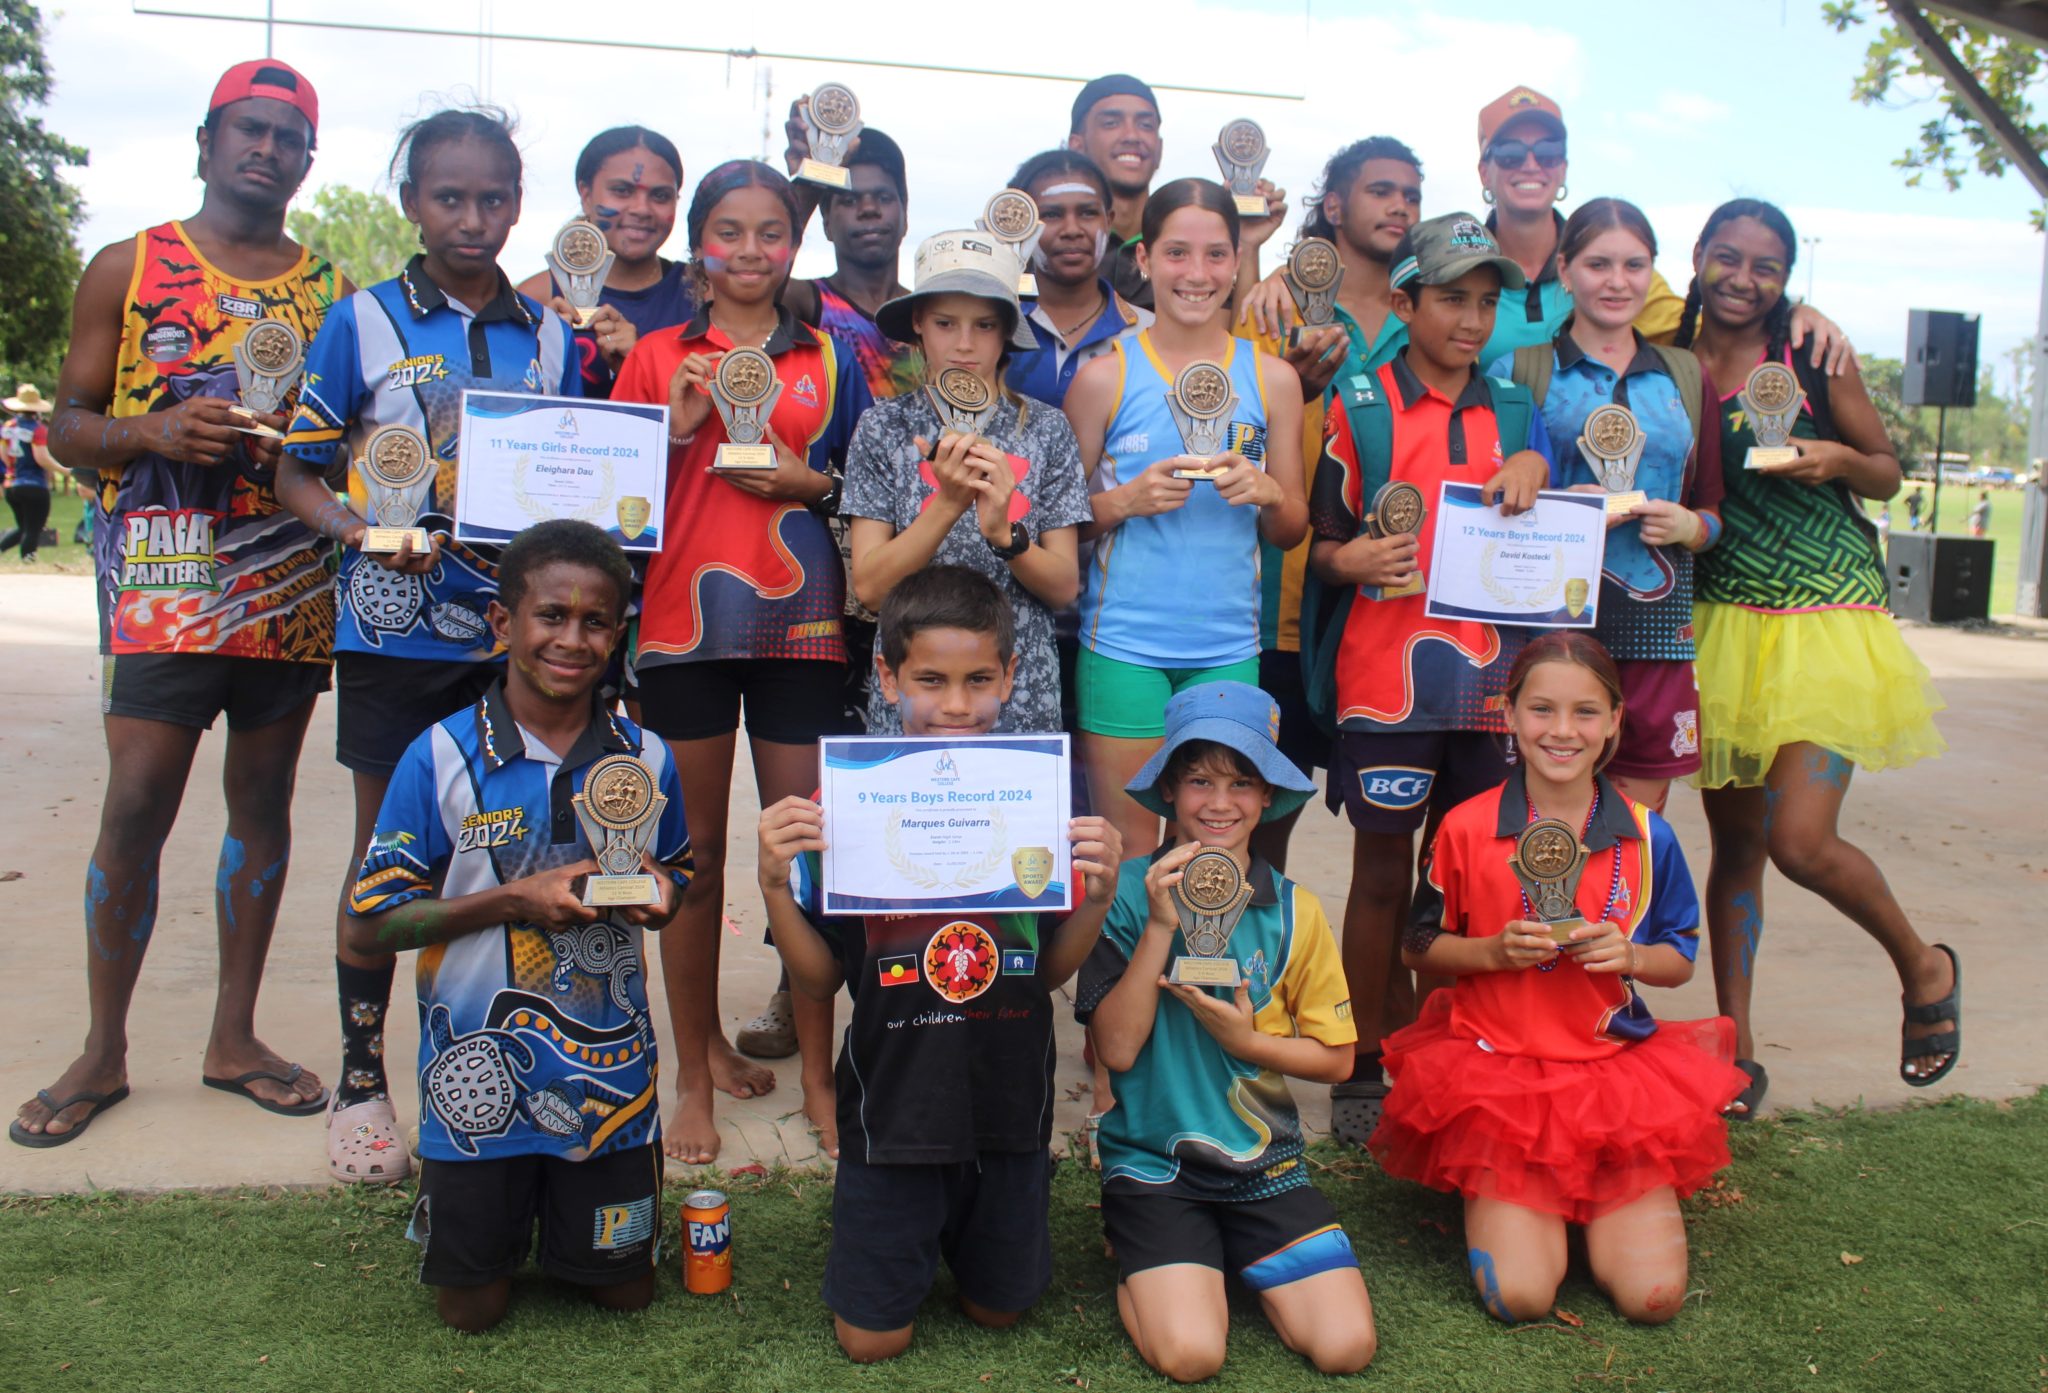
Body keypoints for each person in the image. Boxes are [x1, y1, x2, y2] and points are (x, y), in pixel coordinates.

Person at [10, 60, 340, 1150]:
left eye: (285, 137)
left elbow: (347, 433)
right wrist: (152, 431)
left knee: (263, 802)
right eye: (245, 131)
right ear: (205, 142)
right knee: (139, 799)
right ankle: (103, 1050)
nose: (264, 150)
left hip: (286, 575)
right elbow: (65, 425)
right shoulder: (130, 264)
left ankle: (232, 1038)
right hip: (163, 571)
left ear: (306, 160)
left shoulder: (332, 291)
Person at [278, 106, 578, 1184]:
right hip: (395, 636)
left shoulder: (549, 333)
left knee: (518, 851)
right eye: (449, 196)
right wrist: (358, 531)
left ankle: (508, 1055)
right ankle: (364, 1083)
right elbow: (298, 469)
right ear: (411, 202)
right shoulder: (358, 320)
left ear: (516, 203)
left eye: (493, 197)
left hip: (518, 640)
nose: (472, 217)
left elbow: (573, 474)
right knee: (389, 860)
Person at [755, 565, 1123, 1362]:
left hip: (1008, 1105)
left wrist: (1096, 896)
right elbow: (819, 980)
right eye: (930, 679)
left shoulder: (1041, 799)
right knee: (870, 1340)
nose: (956, 704)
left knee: (1002, 1311)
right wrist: (777, 885)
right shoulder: (846, 803)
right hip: (894, 1111)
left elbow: (1048, 972)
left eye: (977, 679)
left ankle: (982, 1231)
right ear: (886, 676)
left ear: (1010, 677)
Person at [343, 520, 688, 1332]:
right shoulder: (438, 755)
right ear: (504, 625)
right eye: (550, 616)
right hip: (477, 1080)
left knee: (622, 1291)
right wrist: (512, 901)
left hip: (608, 1090)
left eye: (596, 621)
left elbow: (681, 876)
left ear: (619, 632)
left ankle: (586, 1215)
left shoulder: (645, 756)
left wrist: (661, 894)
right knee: (471, 1308)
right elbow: (372, 927)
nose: (573, 639)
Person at [608, 159, 871, 1164]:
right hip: (680, 629)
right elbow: (617, 510)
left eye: (770, 232)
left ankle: (816, 1073)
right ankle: (692, 1068)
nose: (751, 251)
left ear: (791, 246)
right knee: (694, 854)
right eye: (729, 231)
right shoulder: (655, 354)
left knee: (801, 851)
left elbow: (853, 480)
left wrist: (799, 478)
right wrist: (672, 431)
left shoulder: (830, 355)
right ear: (697, 245)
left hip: (801, 626)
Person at [1370, 633, 1749, 1325]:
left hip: (1615, 1079)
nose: (1563, 730)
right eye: (1542, 709)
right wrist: (1491, 951)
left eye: (1584, 711)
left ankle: (1584, 1207)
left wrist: (1630, 956)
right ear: (1508, 715)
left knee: (1653, 1298)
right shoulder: (1462, 825)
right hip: (1500, 1077)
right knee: (1520, 1296)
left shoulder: (1647, 833)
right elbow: (1418, 947)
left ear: (1614, 721)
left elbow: (1680, 958)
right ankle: (1520, 1208)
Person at [1674, 198, 1956, 1117]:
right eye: (1728, 257)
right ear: (1700, 257)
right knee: (1739, 847)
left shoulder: (1809, 353)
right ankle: (1737, 1053)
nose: (1743, 277)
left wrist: (1831, 453)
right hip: (1721, 613)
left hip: (1826, 613)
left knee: (1800, 841)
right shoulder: (1669, 351)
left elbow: (1885, 469)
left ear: (1787, 278)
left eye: (1764, 264)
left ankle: (1922, 966)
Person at [1301, 212, 1556, 1148]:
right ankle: (1364, 1058)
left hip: (1494, 688)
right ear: (1404, 301)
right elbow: (1323, 549)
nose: (1473, 320)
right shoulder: (1360, 403)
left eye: (1488, 302)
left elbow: (1547, 537)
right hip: (1387, 682)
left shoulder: (1518, 410)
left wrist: (1535, 465)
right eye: (1453, 298)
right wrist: (1352, 559)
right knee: (1380, 876)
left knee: (1472, 882)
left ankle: (1458, 1055)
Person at [1078, 681, 1375, 1381]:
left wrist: (1249, 1044)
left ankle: (1232, 1262)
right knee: (1191, 1355)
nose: (1219, 802)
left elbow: (1338, 1060)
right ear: (1170, 793)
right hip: (1155, 1165)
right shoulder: (1124, 892)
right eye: (1200, 780)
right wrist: (1158, 925)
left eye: (1242, 781)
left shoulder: (1296, 909)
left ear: (1268, 795)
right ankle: (1147, 1261)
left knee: (1345, 1347)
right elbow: (1116, 1050)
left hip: (1265, 1167)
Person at [1066, 179, 1306, 859]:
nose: (1196, 274)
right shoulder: (1103, 377)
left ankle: (1196, 972)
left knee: (1214, 854)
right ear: (1143, 260)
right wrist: (1124, 501)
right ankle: (1121, 974)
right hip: (1123, 649)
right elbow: (1057, 524)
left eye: (1214, 255)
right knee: (1127, 856)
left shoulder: (1273, 379)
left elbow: (1291, 528)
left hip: (1228, 651)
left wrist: (1264, 491)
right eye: (1176, 253)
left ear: (1237, 261)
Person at [1235, 136, 1428, 874]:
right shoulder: (1279, 298)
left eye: (1412, 194)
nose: (1400, 206)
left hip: (1388, 599)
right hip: (1283, 600)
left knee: (1388, 839)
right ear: (1338, 205)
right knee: (1260, 818)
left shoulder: (1428, 313)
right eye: (1383, 191)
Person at [1496, 198, 1725, 814]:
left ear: (1653, 272)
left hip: (1659, 633)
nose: (1617, 282)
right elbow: (1491, 511)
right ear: (1565, 270)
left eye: (1634, 264)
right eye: (1598, 264)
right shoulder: (1519, 371)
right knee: (1543, 826)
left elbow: (1714, 509)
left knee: (1635, 834)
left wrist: (1690, 525)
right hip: (1553, 631)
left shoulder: (1684, 375)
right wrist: (1556, 508)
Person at [846, 231, 1090, 735]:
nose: (963, 343)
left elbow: (1064, 586)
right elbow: (870, 587)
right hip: (914, 692)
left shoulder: (1043, 428)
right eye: (944, 323)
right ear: (918, 324)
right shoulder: (883, 426)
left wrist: (1006, 537)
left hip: (1019, 688)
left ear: (1005, 333)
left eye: (983, 325)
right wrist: (948, 503)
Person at [1472, 87, 1852, 374]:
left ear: (1564, 168)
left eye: (1548, 150)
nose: (1531, 164)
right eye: (1509, 153)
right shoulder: (1462, 269)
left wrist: (1794, 312)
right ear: (1484, 171)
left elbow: (1717, 328)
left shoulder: (1616, 268)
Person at [515, 125, 693, 400]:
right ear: (585, 194)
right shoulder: (534, 298)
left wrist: (641, 365)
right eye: (622, 191)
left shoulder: (701, 294)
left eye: (660, 196)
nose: (641, 209)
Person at [1005, 149, 1152, 410]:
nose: (1072, 230)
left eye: (1087, 213)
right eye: (1051, 214)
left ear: (1108, 221)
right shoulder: (992, 329)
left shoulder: (1149, 334)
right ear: (1021, 225)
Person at [1068, 75, 1163, 310]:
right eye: (1111, 123)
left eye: (1145, 125)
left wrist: (1249, 243)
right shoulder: (1051, 245)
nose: (1131, 136)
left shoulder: (1182, 241)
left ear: (1159, 149)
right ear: (1077, 146)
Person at [2, 385, 57, 560]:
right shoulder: (37, 429)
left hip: (11, 484)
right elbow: (41, 458)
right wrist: (65, 470)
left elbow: (3, 455)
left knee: (23, 527)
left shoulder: (8, 427)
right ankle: (28, 559)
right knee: (34, 527)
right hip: (34, 485)